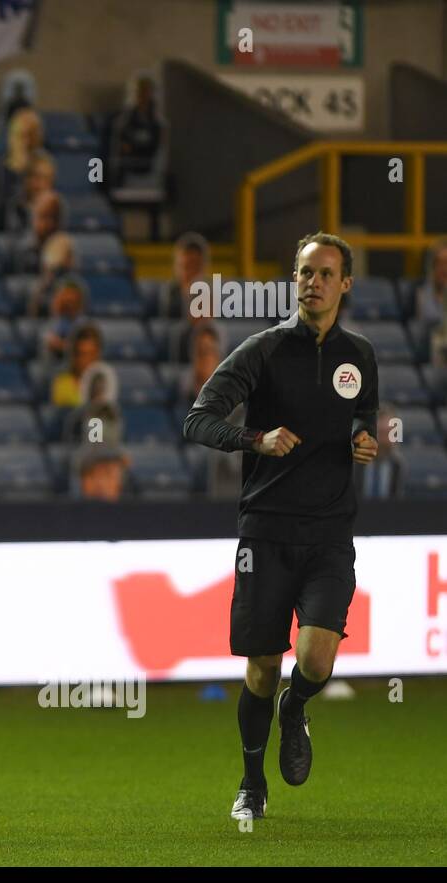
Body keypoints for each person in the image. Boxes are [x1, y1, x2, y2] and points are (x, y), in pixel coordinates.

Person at [182, 233, 380, 822]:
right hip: (266, 531)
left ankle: (296, 710)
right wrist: (254, 439)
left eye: (324, 273)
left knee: (316, 662)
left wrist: (361, 438)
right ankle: (251, 783)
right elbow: (199, 419)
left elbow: (362, 415)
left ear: (345, 283)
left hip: (328, 534)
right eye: (303, 272)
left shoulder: (360, 355)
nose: (312, 282)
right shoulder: (262, 351)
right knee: (263, 665)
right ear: (293, 281)